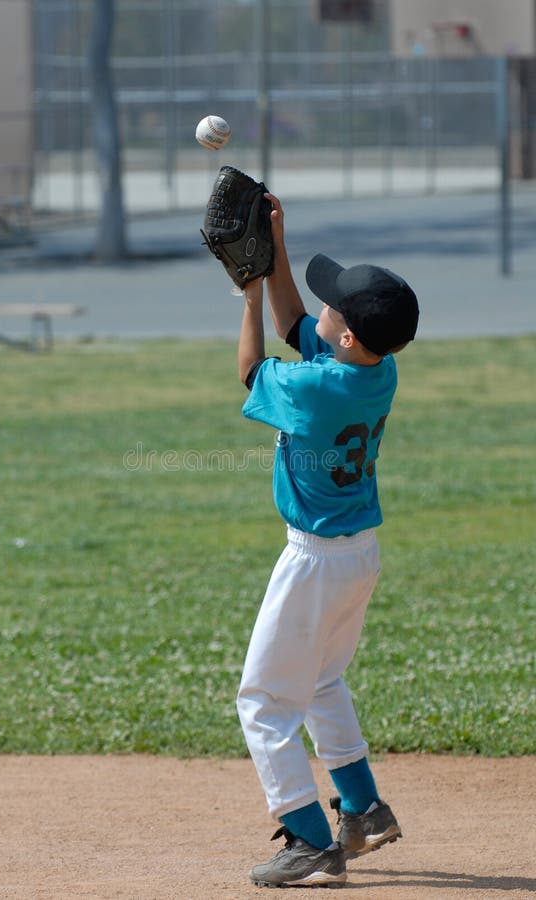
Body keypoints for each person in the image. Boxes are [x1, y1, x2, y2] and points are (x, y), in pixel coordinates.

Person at [235, 192, 419, 889]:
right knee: (320, 681)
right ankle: (365, 809)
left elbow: (253, 370)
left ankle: (310, 839)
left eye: (333, 308)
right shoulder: (376, 370)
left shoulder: (313, 390)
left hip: (313, 561)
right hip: (358, 553)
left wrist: (247, 294)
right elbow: (297, 326)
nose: (323, 310)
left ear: (344, 338)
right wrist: (276, 248)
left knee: (263, 700)